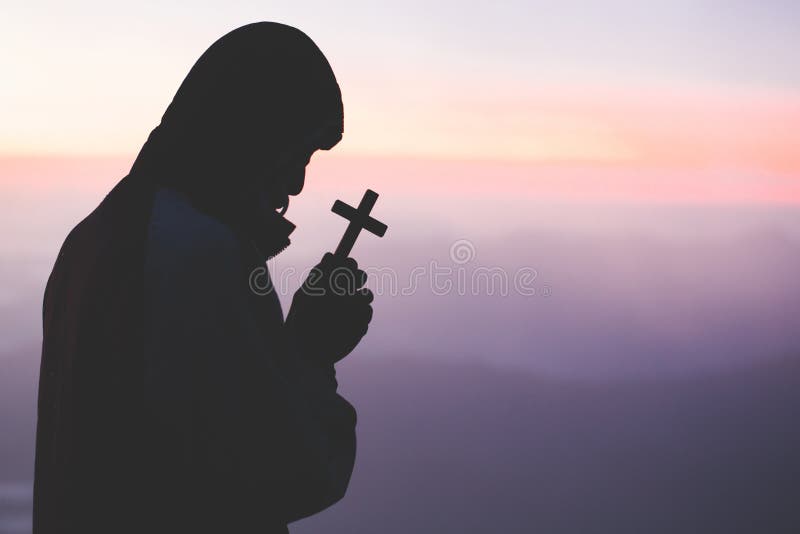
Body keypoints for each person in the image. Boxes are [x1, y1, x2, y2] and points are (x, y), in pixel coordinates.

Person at [33, 22, 371, 534]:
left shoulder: (96, 237)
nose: (298, 184)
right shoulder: (196, 253)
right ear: (252, 133)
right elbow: (282, 472)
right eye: (297, 154)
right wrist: (310, 352)